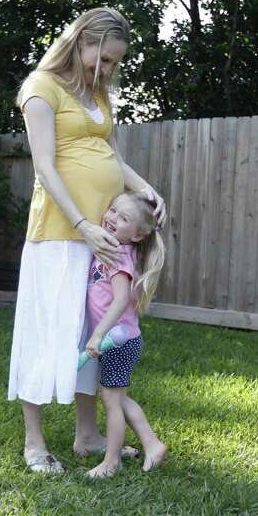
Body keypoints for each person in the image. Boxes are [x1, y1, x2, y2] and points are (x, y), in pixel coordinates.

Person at [8, 7, 166, 473]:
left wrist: (142, 188)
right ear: (80, 41)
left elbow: (109, 154)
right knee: (47, 331)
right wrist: (81, 224)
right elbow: (45, 168)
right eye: (105, 58)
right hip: (60, 234)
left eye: (116, 62)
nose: (109, 70)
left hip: (101, 233)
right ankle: (34, 442)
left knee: (90, 332)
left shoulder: (96, 93)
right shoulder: (41, 88)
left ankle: (87, 435)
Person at [80, 191, 169, 479]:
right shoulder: (112, 248)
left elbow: (120, 301)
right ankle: (152, 444)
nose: (112, 218)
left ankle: (111, 461)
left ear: (139, 235)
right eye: (113, 210)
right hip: (120, 339)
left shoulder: (119, 257)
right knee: (118, 398)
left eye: (124, 218)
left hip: (118, 340)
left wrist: (97, 336)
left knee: (112, 401)